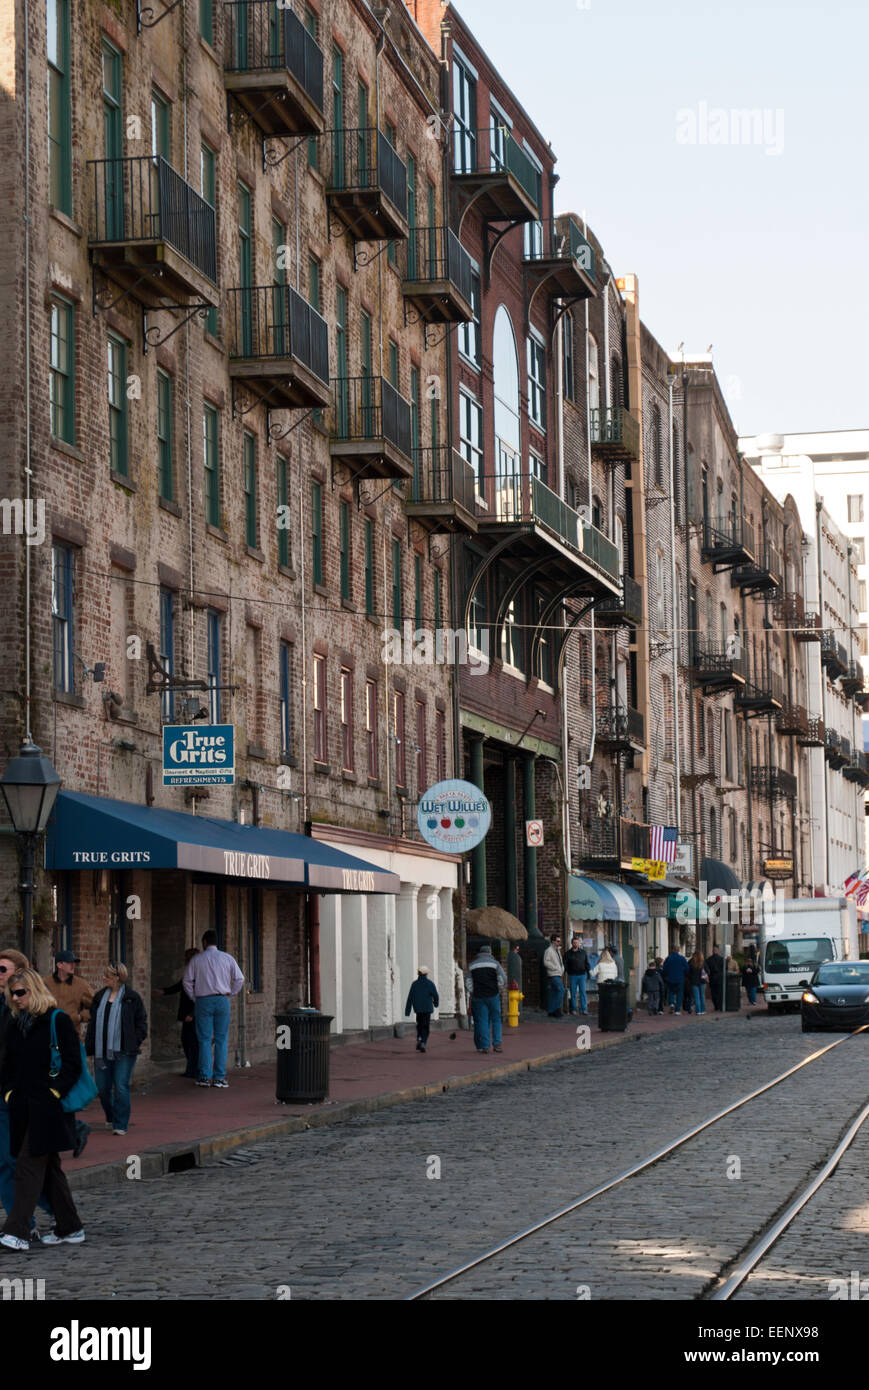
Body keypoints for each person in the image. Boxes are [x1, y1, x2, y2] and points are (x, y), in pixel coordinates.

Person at [0, 969, 84, 1249]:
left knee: (27, 1165)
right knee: (50, 1171)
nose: (15, 997)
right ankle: (70, 1227)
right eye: (12, 993)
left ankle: (17, 1231)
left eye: (20, 992)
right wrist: (10, 1092)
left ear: (34, 990)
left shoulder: (56, 1020)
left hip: (48, 1108)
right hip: (22, 1107)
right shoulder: (16, 1022)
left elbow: (73, 1063)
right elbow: (8, 1065)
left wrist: (54, 1091)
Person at [84, 964, 147, 1137]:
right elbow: (92, 1023)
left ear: (117, 977)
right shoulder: (98, 997)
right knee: (103, 1088)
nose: (103, 978)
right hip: (101, 1050)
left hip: (124, 1051)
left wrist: (135, 1040)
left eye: (107, 976)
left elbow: (141, 1022)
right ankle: (111, 1116)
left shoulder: (131, 998)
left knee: (120, 1085)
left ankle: (121, 1124)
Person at [183, 930, 245, 1087]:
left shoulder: (197, 959)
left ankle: (204, 1076)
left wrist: (194, 997)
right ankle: (219, 1078)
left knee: (204, 1039)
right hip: (222, 999)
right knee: (221, 1040)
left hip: (203, 1000)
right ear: (217, 942)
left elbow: (187, 982)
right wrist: (230, 994)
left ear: (204, 942)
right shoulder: (227, 958)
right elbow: (240, 979)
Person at [154, 948, 199, 1078]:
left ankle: (193, 1070)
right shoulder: (189, 973)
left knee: (192, 1042)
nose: (185, 961)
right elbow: (179, 986)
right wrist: (162, 991)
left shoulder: (199, 974)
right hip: (187, 1013)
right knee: (186, 1040)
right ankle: (191, 1068)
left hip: (193, 1013)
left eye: (187, 958)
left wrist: (193, 1013)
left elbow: (200, 997)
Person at [464, 945, 506, 1055]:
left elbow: (468, 982)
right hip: (493, 995)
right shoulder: (495, 964)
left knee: (482, 1020)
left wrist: (473, 991)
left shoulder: (472, 965)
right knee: (496, 1019)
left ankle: (485, 1046)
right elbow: (502, 979)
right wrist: (498, 989)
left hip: (478, 996)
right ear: (490, 952)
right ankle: (497, 1044)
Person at [42, 950, 92, 1036]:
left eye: (74, 963)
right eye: (69, 963)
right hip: (49, 1034)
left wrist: (79, 1017)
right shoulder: (45, 983)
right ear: (59, 965)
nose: (73, 965)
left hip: (72, 1034)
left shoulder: (81, 985)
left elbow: (95, 1006)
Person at [404, 966, 439, 1053]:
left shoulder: (414, 984)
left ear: (418, 973)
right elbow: (435, 995)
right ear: (426, 974)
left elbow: (410, 998)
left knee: (419, 1024)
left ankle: (419, 1038)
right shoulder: (430, 983)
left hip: (418, 1009)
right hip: (427, 1008)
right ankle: (423, 1042)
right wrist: (436, 1004)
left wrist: (407, 1011)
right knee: (425, 1026)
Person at [564, 935, 590, 1015]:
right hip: (572, 976)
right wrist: (568, 972)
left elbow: (587, 963)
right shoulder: (568, 953)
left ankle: (584, 1009)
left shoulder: (583, 953)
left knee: (583, 992)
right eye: (574, 942)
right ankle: (574, 1009)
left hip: (582, 975)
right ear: (572, 943)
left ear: (579, 943)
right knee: (573, 993)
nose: (575, 944)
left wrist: (588, 973)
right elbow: (565, 964)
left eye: (577, 943)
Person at [542, 934, 566, 1017]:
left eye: (559, 941)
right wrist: (555, 968)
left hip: (557, 974)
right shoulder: (549, 950)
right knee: (561, 990)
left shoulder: (557, 951)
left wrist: (562, 968)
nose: (559, 943)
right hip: (553, 974)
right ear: (553, 941)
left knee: (553, 992)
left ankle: (551, 1011)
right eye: (558, 941)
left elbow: (560, 962)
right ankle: (557, 1009)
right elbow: (546, 962)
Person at [662, 947, 689, 1014]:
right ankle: (677, 1010)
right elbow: (687, 968)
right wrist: (684, 974)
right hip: (680, 978)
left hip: (670, 978)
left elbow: (664, 968)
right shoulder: (682, 958)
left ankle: (671, 1003)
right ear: (678, 951)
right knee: (679, 994)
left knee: (671, 991)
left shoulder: (668, 958)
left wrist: (667, 975)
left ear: (672, 951)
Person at [705, 945, 725, 1011]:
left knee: (713, 992)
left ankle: (716, 1005)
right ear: (718, 951)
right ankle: (719, 1005)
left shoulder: (708, 959)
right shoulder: (722, 959)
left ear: (712, 951)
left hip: (712, 977)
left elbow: (706, 969)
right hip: (720, 977)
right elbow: (725, 968)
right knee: (719, 991)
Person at [687, 951, 707, 1015]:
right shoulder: (703, 963)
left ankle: (698, 1011)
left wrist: (691, 978)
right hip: (702, 981)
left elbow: (688, 973)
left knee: (696, 997)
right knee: (702, 996)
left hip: (694, 982)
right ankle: (703, 1010)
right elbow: (708, 971)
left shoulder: (691, 963)